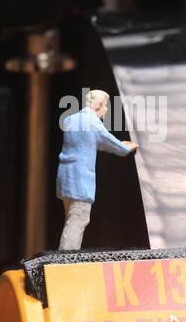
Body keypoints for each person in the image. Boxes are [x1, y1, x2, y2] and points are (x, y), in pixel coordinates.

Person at [55, 88, 138, 250]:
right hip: (81, 181)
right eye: (106, 106)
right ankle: (65, 261)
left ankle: (65, 259)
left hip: (65, 179)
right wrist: (126, 147)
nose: (106, 110)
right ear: (99, 105)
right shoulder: (93, 122)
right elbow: (110, 142)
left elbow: (90, 142)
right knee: (78, 220)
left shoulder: (71, 120)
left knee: (70, 219)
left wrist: (120, 145)